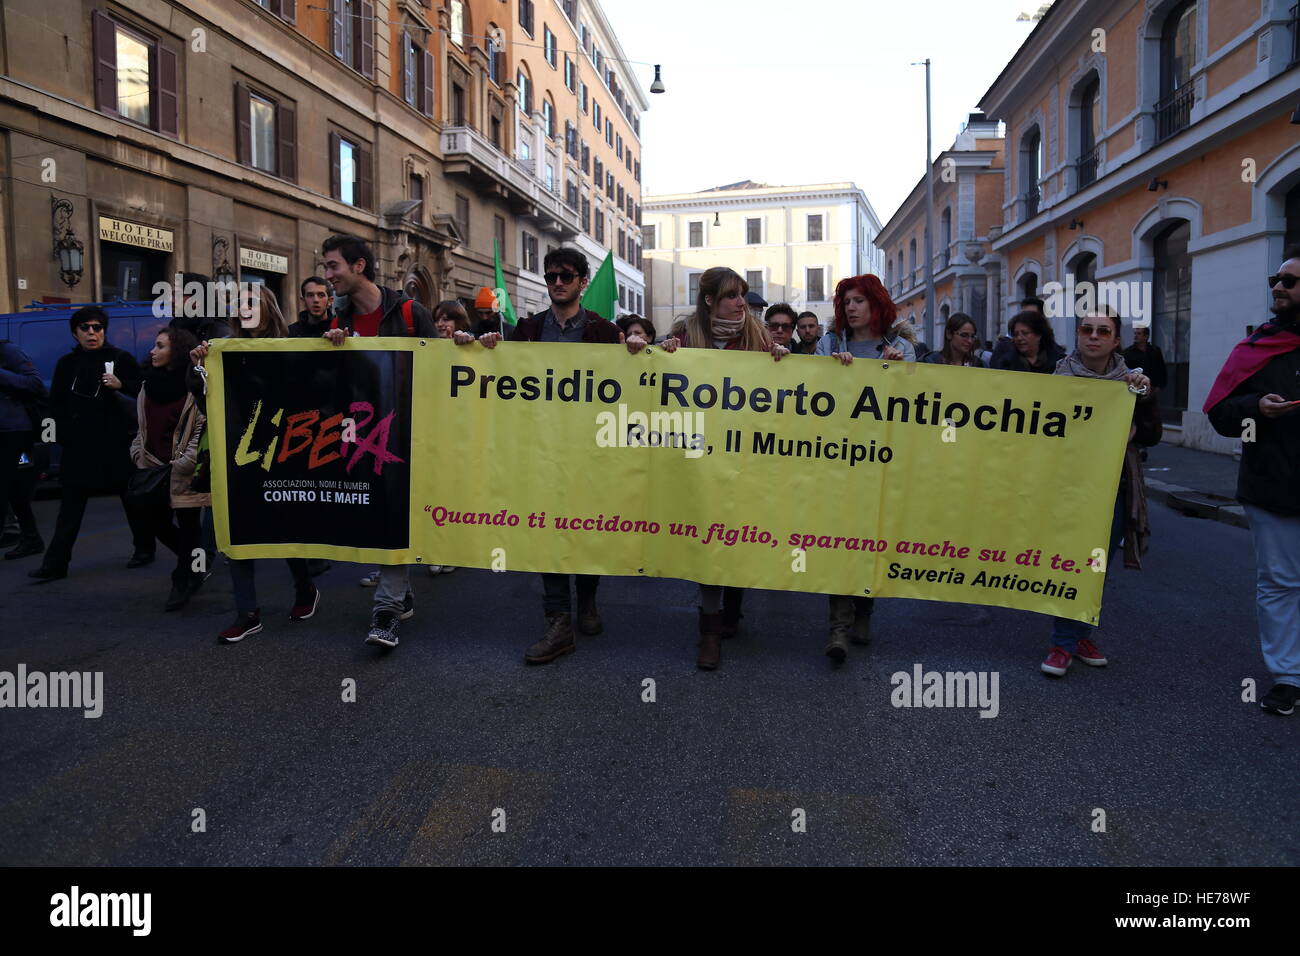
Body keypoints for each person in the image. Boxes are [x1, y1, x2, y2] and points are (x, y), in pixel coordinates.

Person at [454, 246, 669, 665]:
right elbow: (501, 380)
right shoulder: (529, 329)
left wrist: (640, 352)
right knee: (548, 530)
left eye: (565, 276)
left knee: (588, 527)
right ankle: (559, 619)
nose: (556, 282)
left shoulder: (607, 332)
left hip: (592, 450)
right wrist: (472, 348)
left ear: (582, 282)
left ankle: (587, 597)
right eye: (551, 275)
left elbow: (634, 383)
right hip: (542, 450)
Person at [319, 234, 435, 649]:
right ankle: (399, 593)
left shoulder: (408, 312)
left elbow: (442, 370)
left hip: (407, 434)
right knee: (377, 516)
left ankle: (385, 611)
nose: (328, 275)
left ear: (359, 266)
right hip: (359, 437)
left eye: (333, 266)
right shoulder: (337, 322)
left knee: (394, 516)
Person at [669, 266, 787, 670]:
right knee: (709, 538)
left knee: (740, 536)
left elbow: (781, 391)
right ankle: (710, 630)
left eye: (743, 295)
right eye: (732, 296)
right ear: (709, 301)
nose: (741, 303)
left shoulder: (758, 336)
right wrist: (647, 351)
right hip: (700, 457)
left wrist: (782, 363)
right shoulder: (685, 337)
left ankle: (732, 609)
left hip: (746, 457)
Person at [191, 285, 323, 642]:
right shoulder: (225, 350)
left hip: (284, 451)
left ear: (268, 306)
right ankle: (247, 612)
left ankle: (305, 589)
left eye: (251, 302)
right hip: (239, 453)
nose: (244, 308)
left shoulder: (293, 344)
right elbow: (207, 408)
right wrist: (199, 370)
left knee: (284, 528)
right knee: (239, 530)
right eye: (238, 303)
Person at [1206, 247, 1300, 716]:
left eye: (1289, 281)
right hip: (1272, 485)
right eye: (1276, 281)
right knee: (1280, 581)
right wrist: (1255, 409)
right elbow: (1220, 413)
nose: (1279, 287)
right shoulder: (1256, 348)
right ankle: (1287, 676)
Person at [1041, 308, 1153, 677]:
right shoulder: (1056, 381)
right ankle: (1062, 643)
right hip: (1067, 484)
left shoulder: (1131, 382)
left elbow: (1151, 435)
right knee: (1069, 561)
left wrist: (1143, 402)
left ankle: (1080, 633)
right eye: (1087, 329)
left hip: (1115, 485)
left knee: (1096, 564)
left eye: (1102, 331)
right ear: (1077, 337)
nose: (1093, 336)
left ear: (1115, 340)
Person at [815, 275, 912, 663]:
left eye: (858, 300)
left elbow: (920, 402)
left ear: (876, 304)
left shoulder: (900, 347)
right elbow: (811, 390)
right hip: (837, 458)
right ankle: (838, 627)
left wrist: (903, 372)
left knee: (871, 540)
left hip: (882, 461)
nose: (851, 308)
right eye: (846, 301)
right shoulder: (828, 344)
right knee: (840, 541)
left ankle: (865, 611)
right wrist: (832, 371)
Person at [30, 307, 152, 580]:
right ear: (75, 333)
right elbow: (56, 404)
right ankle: (55, 564)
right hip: (79, 447)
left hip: (115, 444)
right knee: (70, 507)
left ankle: (144, 548)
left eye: (97, 327)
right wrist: (59, 436)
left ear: (104, 331)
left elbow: (145, 390)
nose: (91, 332)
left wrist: (121, 384)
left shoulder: (120, 358)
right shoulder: (66, 364)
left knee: (132, 500)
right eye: (85, 328)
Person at [127, 326, 209, 611]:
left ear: (176, 351)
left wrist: (184, 462)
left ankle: (182, 578)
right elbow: (142, 426)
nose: (153, 351)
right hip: (151, 467)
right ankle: (196, 563)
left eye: (160, 346)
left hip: (182, 469)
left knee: (188, 528)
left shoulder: (193, 386)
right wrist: (138, 451)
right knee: (155, 524)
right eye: (154, 345)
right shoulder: (147, 384)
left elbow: (200, 428)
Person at [0, 338, 45, 560]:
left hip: (14, 432)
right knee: (15, 493)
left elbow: (34, 383)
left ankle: (29, 538)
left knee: (9, 489)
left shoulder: (7, 350)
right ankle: (31, 538)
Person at [989, 310, 1063, 374]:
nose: (1019, 338)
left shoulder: (1060, 363)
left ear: (1039, 335)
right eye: (1016, 334)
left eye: (1025, 333)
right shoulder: (1005, 363)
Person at [921, 313, 987, 368]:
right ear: (949, 334)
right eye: (964, 335)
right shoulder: (930, 362)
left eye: (972, 336)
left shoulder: (979, 365)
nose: (970, 341)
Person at [1123, 325, 1168, 392]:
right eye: (1135, 333)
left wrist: (1160, 386)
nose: (1135, 336)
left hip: (1152, 390)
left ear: (1146, 336)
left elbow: (1161, 369)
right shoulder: (1128, 352)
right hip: (1135, 389)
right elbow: (1124, 371)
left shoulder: (1155, 351)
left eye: (1139, 334)